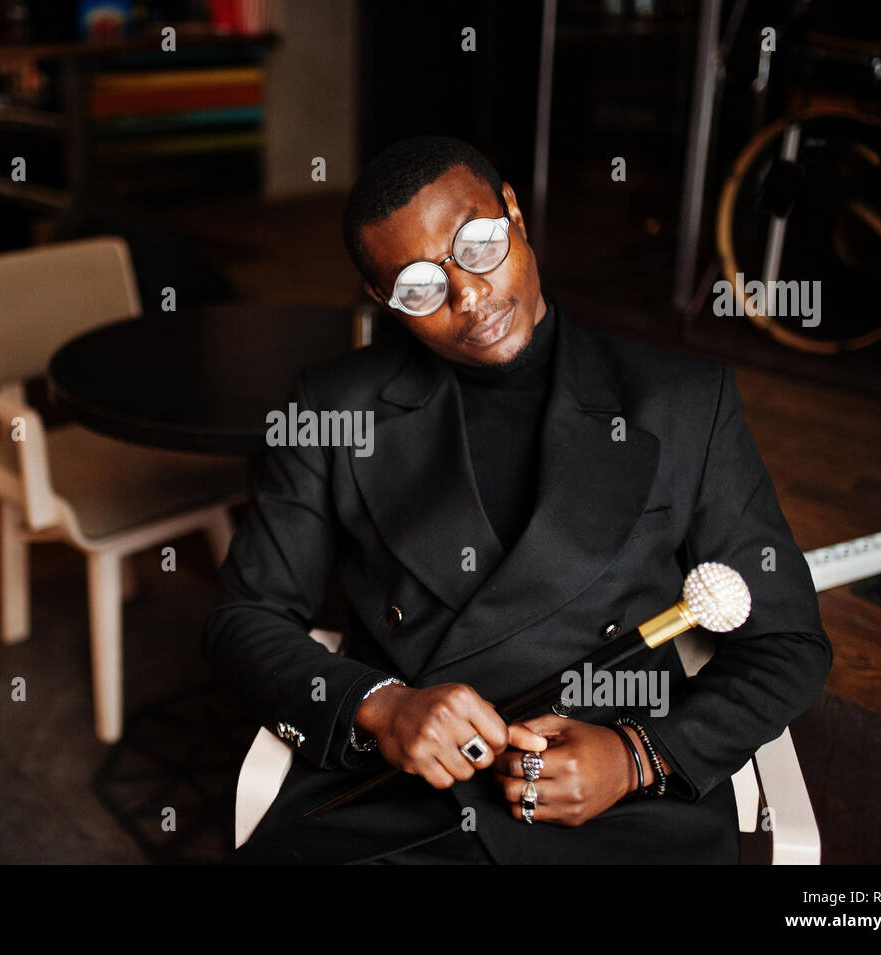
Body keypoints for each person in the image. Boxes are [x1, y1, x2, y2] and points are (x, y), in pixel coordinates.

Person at [202, 135, 831, 864]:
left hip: (619, 812)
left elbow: (787, 641)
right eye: (418, 285)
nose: (467, 296)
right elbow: (242, 619)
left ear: (513, 215)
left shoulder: (683, 400)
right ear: (383, 299)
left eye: (477, 245)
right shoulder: (332, 406)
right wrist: (381, 704)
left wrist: (638, 755)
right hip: (399, 796)